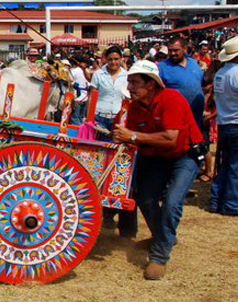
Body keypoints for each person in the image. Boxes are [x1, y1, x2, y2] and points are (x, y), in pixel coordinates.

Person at [113, 60, 204, 280]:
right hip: (158, 156)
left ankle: (159, 255)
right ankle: (164, 236)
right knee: (145, 199)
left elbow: (170, 138)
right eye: (130, 83)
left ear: (151, 84)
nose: (130, 88)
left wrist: (132, 136)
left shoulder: (172, 99)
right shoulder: (134, 107)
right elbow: (125, 132)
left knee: (172, 202)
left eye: (134, 83)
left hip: (185, 155)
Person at [90, 46, 135, 237]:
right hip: (100, 117)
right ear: (105, 59)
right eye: (111, 59)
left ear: (121, 60)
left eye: (117, 59)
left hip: (119, 119)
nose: (114, 63)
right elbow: (92, 98)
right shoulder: (98, 75)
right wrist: (89, 121)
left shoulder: (127, 76)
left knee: (116, 160)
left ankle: (111, 205)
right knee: (100, 160)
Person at [209, 36, 238, 215]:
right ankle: (231, 204)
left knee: (226, 163)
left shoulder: (220, 73)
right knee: (235, 166)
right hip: (236, 122)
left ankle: (216, 200)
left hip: (225, 123)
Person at [158, 36, 205, 128]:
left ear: (185, 49)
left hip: (196, 118)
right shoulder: (162, 67)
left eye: (176, 50)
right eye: (170, 50)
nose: (172, 53)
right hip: (176, 119)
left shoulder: (193, 63)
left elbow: (201, 85)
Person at [69, 56, 89, 125]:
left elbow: (69, 79)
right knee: (81, 117)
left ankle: (77, 134)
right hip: (86, 97)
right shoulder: (87, 71)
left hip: (77, 98)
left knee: (74, 117)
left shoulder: (74, 71)